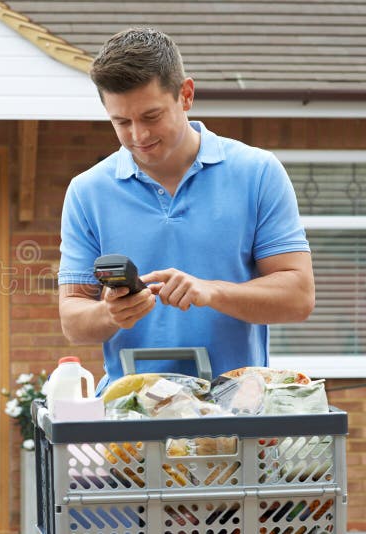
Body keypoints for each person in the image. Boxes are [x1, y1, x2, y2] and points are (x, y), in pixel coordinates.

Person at [57, 27, 315, 394]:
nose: (138, 136)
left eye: (151, 116)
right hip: (131, 423)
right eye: (121, 122)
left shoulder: (257, 173)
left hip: (237, 417)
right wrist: (108, 313)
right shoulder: (87, 192)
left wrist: (211, 291)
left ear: (186, 95)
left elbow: (299, 298)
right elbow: (73, 319)